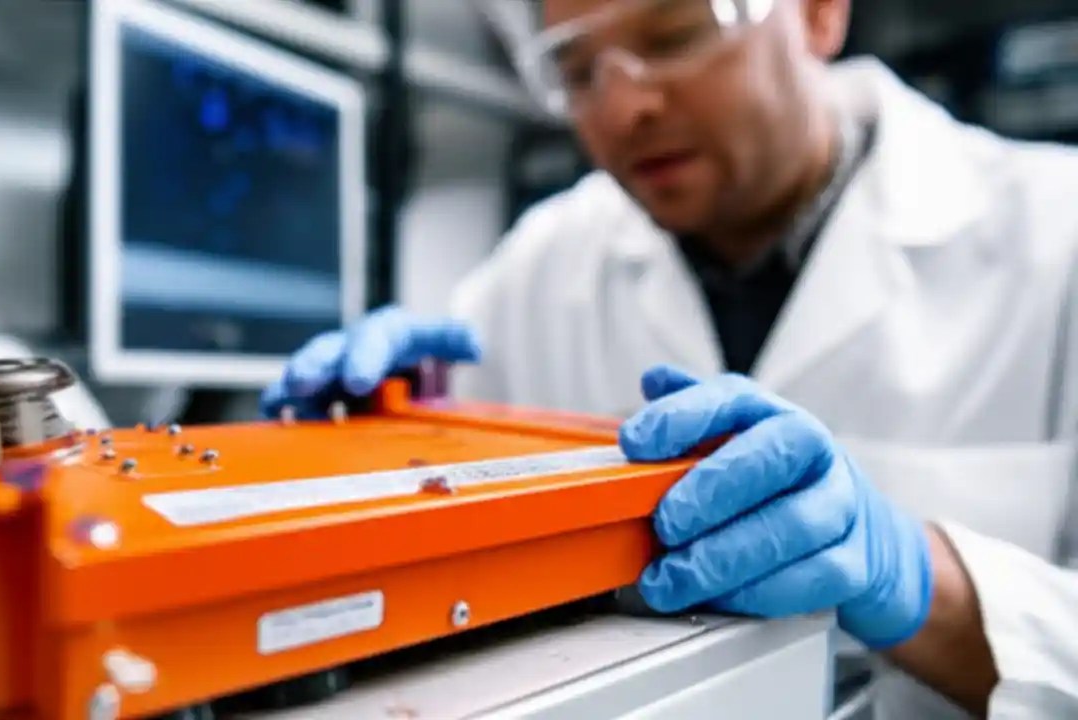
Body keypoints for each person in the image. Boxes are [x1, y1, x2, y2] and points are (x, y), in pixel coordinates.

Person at [262, 0, 1078, 717]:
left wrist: (924, 581)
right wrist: (384, 422)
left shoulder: (1055, 233)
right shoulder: (547, 260)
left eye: (679, 31)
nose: (623, 107)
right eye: (578, 70)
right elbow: (447, 441)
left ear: (821, 12)